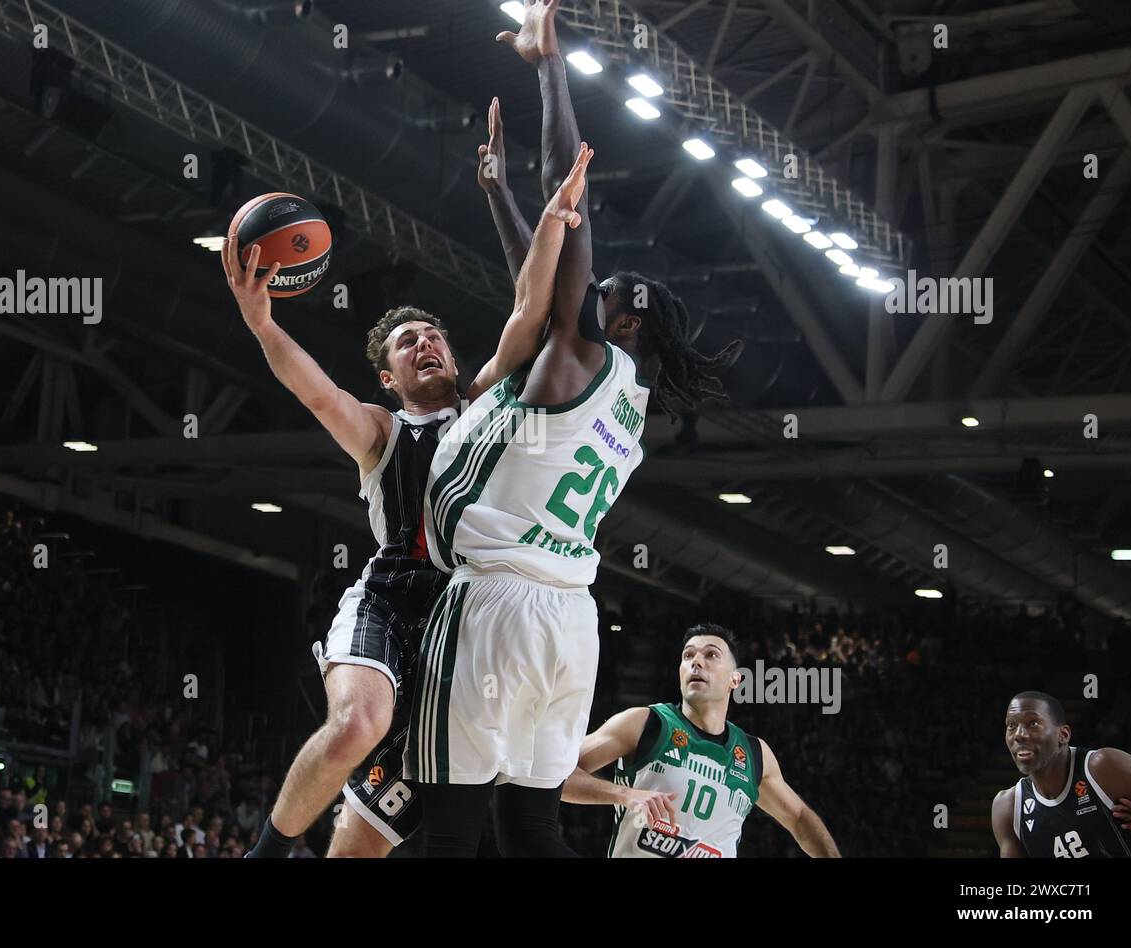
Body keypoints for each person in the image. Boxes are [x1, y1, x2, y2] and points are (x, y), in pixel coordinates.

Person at [405, 0, 740, 857]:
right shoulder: (621, 396)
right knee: (530, 822)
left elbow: (566, 226)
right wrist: (499, 196)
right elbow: (541, 286)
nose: (594, 294)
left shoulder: (584, 354)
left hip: (500, 604)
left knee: (444, 816)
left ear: (620, 321)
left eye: (608, 292)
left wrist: (547, 65)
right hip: (569, 621)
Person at [235, 144, 594, 858]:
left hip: (465, 628)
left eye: (434, 335)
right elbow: (316, 392)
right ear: (389, 376)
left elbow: (530, 310)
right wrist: (265, 326)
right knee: (355, 726)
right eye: (407, 342)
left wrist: (546, 218)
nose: (426, 343)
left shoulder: (489, 403)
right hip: (393, 599)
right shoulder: (384, 431)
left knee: (361, 848)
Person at [564, 625, 840, 857]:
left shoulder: (754, 754)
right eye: (688, 656)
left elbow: (800, 818)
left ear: (735, 679)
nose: (697, 661)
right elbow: (557, 776)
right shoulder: (645, 723)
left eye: (711, 655)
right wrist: (625, 795)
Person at [991, 691, 1131, 857]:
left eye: (1033, 723)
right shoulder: (1008, 808)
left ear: (1063, 735)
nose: (1019, 735)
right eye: (1011, 726)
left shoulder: (1104, 767)